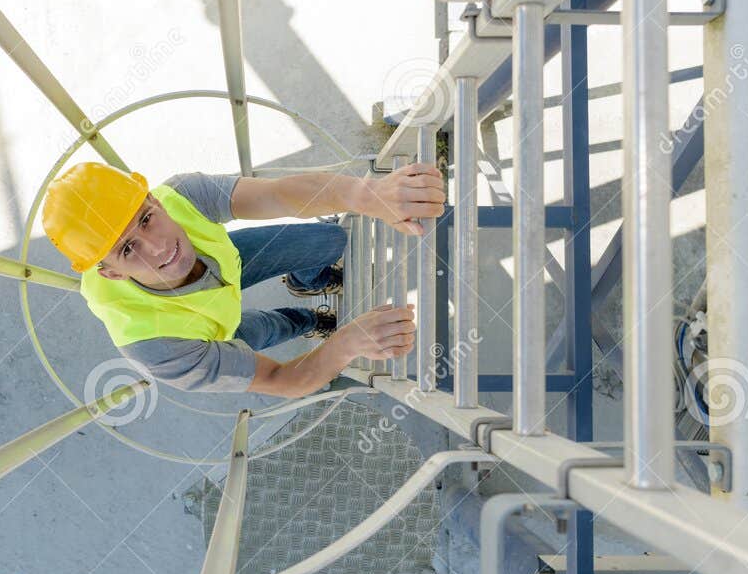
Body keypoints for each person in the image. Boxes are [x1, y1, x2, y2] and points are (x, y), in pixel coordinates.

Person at [41, 161, 446, 398]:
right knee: (270, 327)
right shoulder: (159, 349)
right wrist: (347, 343)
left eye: (147, 220)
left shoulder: (182, 196)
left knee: (329, 238)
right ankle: (313, 322)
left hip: (227, 264)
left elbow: (276, 194)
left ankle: (308, 283)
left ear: (155, 201)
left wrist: (365, 194)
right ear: (109, 272)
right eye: (128, 249)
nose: (158, 247)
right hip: (211, 331)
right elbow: (279, 379)